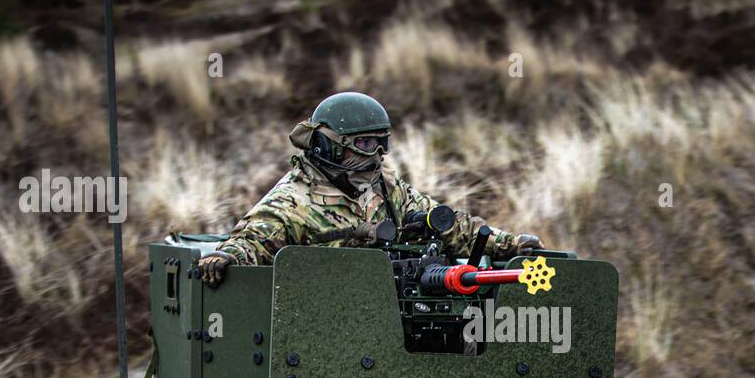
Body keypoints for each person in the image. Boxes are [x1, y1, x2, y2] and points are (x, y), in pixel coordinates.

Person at [196, 92, 539, 287]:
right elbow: (254, 238)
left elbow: (454, 228)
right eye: (363, 142)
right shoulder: (292, 201)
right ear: (330, 146)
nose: (375, 153)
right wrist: (228, 256)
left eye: (380, 143)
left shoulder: (388, 191)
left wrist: (509, 243)